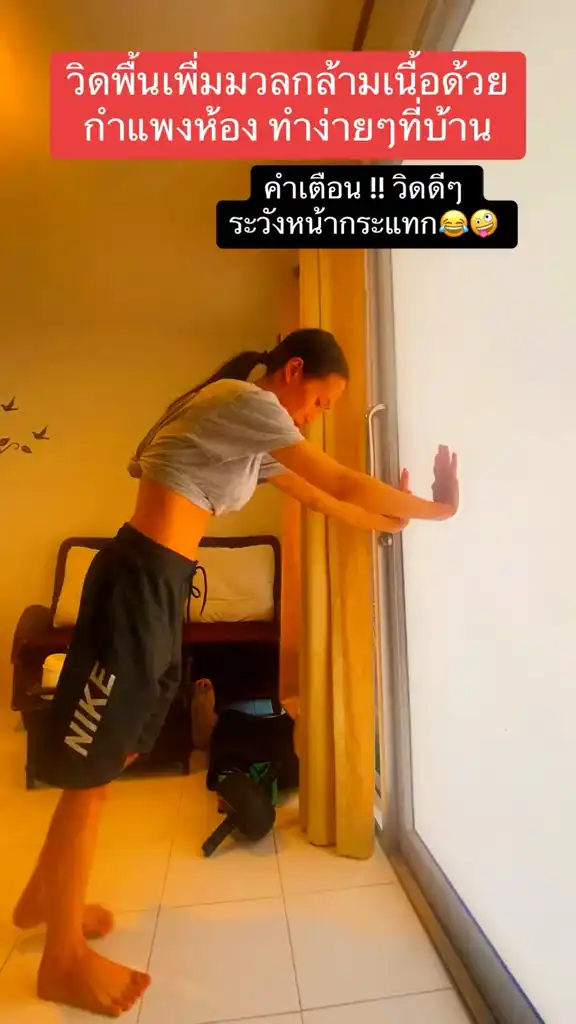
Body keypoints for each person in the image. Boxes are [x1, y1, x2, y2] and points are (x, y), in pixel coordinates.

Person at [12, 328, 459, 1017]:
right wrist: (441, 507)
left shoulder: (249, 435)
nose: (312, 417)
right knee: (92, 775)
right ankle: (62, 961)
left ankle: (47, 897)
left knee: (122, 749)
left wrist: (392, 520)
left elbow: (328, 500)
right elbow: (338, 478)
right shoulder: (244, 402)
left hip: (161, 586)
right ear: (293, 371)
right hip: (136, 583)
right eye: (319, 401)